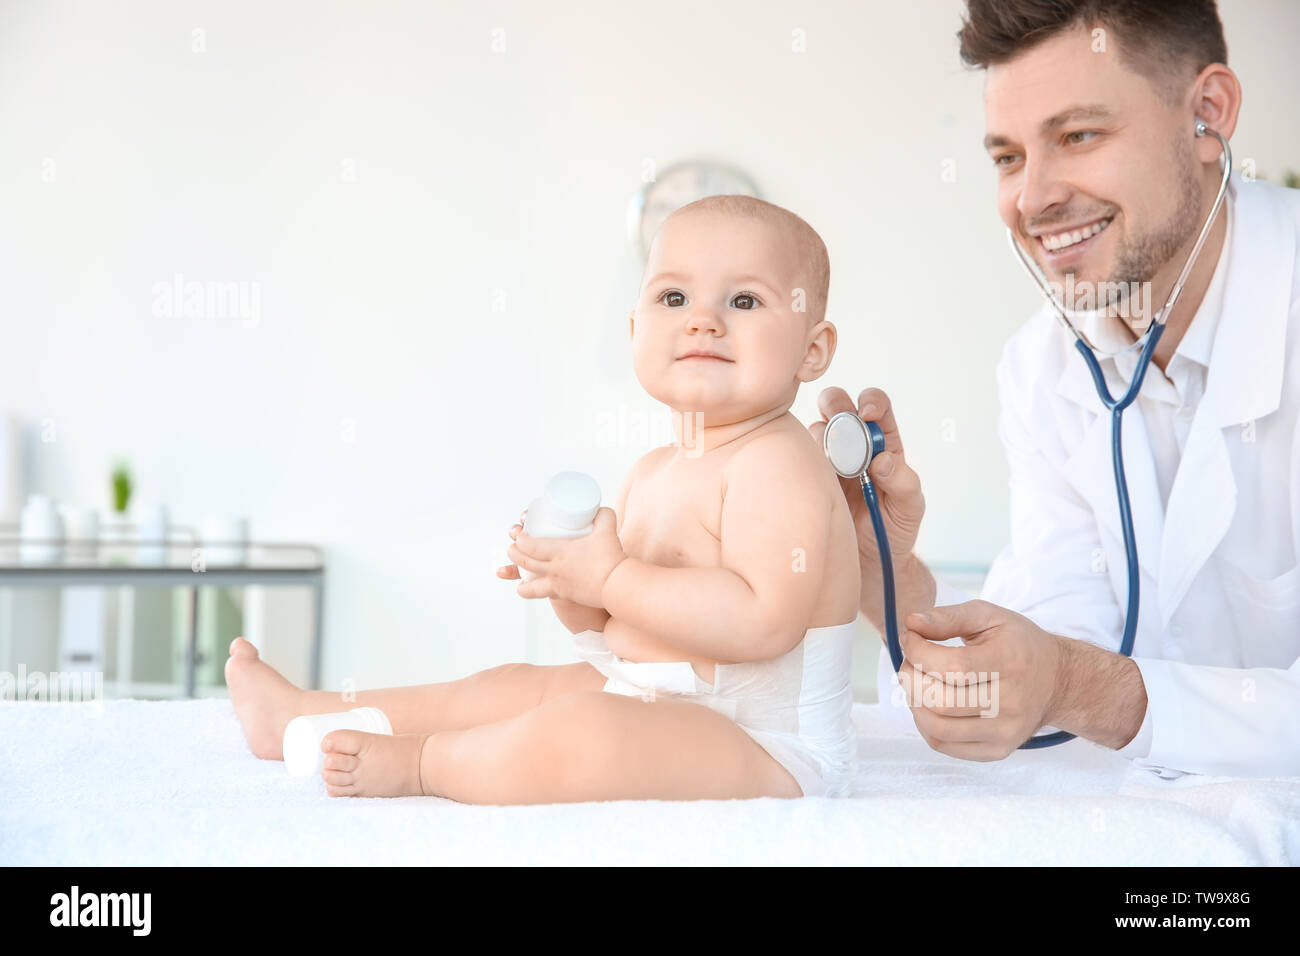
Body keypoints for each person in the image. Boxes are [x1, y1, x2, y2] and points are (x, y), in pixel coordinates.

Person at [228, 196, 864, 801]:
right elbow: (616, 628)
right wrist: (570, 586)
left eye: (745, 300)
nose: (703, 318)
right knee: (510, 688)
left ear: (813, 350)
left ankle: (423, 762)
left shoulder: (781, 462)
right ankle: (306, 713)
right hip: (648, 692)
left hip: (769, 745)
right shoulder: (653, 470)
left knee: (585, 734)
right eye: (675, 297)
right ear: (636, 328)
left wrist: (611, 575)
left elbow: (762, 621)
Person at [814, 0, 1300, 778]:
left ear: (1207, 116)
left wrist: (1081, 688)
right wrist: (887, 579)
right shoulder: (1043, 368)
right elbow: (1046, 659)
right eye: (1008, 157)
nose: (1032, 200)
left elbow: (1077, 683)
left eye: (1076, 136)